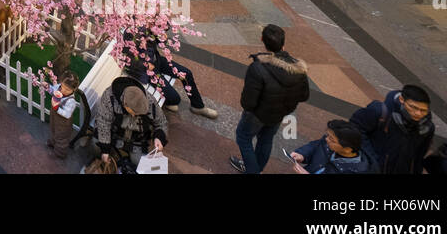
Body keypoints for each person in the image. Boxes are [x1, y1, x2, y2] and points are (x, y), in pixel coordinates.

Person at [230, 24, 310, 174]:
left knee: (243, 138)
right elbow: (304, 95)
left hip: (257, 114)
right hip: (279, 113)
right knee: (266, 140)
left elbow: (248, 102)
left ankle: (253, 171)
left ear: (262, 40)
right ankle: (257, 169)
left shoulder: (258, 68)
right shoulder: (299, 69)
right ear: (283, 43)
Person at [123, 33, 219, 119]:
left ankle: (198, 106)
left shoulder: (148, 25)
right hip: (146, 71)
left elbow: (158, 38)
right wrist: (145, 65)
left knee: (186, 74)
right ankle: (171, 102)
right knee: (175, 99)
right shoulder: (129, 33)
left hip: (157, 60)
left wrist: (161, 37)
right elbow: (126, 59)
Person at [350, 84, 434, 175]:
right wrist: (372, 159)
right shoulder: (379, 112)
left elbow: (419, 156)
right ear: (401, 99)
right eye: (413, 107)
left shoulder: (427, 128)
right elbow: (355, 129)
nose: (418, 113)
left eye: (423, 110)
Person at [95, 76, 168, 173]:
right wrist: (105, 149)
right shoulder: (109, 97)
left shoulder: (150, 101)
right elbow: (103, 121)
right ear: (125, 104)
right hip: (114, 134)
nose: (134, 115)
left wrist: (159, 137)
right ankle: (115, 156)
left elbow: (162, 123)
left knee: (145, 168)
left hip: (136, 141)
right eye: (134, 112)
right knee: (95, 147)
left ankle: (121, 159)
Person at [291, 120, 377, 174]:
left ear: (347, 149)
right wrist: (302, 155)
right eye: (327, 135)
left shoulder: (359, 170)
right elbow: (315, 146)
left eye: (332, 139)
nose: (326, 139)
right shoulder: (327, 143)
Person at [46, 69, 81, 161]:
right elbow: (53, 91)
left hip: (63, 122)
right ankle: (53, 142)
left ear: (74, 90)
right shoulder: (59, 87)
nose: (63, 90)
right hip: (54, 117)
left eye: (67, 89)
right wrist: (48, 87)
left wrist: (57, 108)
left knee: (61, 137)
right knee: (53, 128)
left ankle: (60, 153)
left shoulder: (71, 101)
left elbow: (67, 114)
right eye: (62, 87)